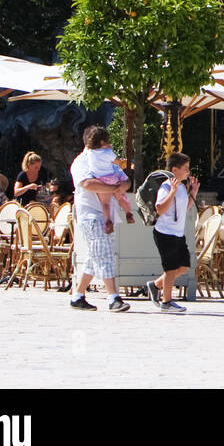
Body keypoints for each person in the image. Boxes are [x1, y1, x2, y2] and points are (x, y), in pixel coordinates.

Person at [68, 125, 132, 312]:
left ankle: (78, 296)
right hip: (91, 215)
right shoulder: (81, 162)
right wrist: (114, 189)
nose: (108, 146)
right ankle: (113, 297)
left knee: (94, 256)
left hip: (108, 215)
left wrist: (123, 185)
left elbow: (124, 178)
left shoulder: (105, 160)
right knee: (104, 255)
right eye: (104, 143)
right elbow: (87, 183)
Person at [146, 152, 198, 314]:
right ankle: (166, 301)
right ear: (175, 169)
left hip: (177, 233)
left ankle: (155, 286)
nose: (188, 172)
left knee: (183, 267)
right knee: (170, 268)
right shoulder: (167, 187)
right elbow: (160, 208)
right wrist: (172, 192)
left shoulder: (181, 187)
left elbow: (184, 208)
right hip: (165, 233)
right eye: (185, 168)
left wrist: (193, 192)